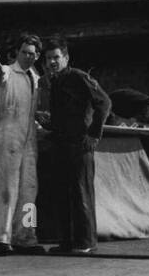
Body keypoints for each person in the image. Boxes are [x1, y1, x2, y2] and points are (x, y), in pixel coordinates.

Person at [41, 37, 111, 255]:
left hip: (79, 146)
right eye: (49, 59)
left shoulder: (78, 77)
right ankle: (67, 242)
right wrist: (48, 122)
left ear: (66, 58)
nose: (52, 62)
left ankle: (85, 242)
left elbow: (104, 103)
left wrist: (94, 133)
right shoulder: (55, 82)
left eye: (56, 57)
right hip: (61, 145)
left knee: (81, 194)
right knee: (63, 194)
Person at [0, 34, 43, 255]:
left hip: (29, 141)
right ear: (17, 53)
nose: (28, 57)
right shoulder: (8, 73)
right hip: (8, 139)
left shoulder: (35, 77)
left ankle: (26, 236)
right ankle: (2, 237)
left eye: (32, 53)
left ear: (37, 56)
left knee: (29, 190)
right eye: (24, 52)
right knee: (6, 189)